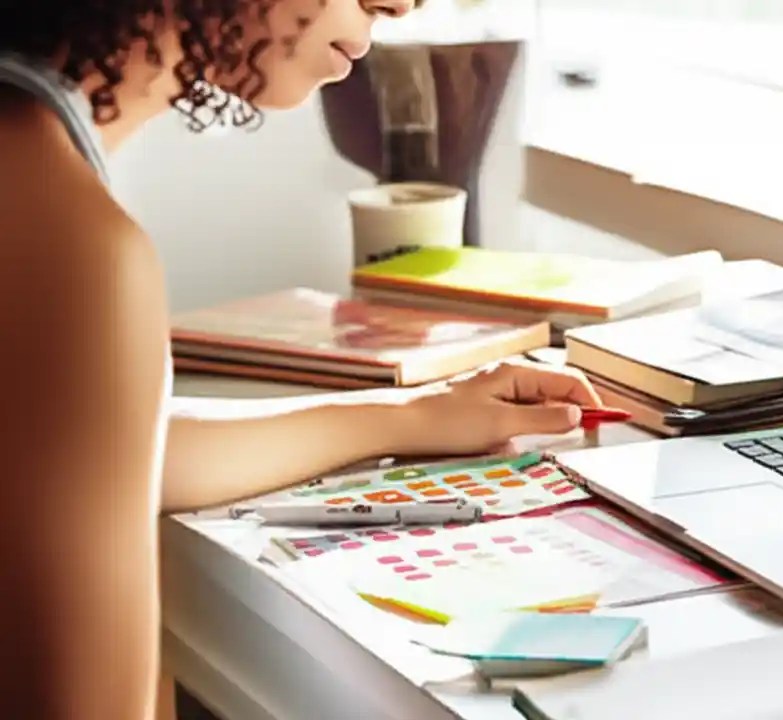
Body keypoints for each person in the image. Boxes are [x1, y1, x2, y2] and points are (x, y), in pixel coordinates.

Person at [0, 2, 603, 718]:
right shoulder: (63, 235)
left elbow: (115, 455)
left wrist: (412, 416)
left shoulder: (29, 151)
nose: (403, 4)